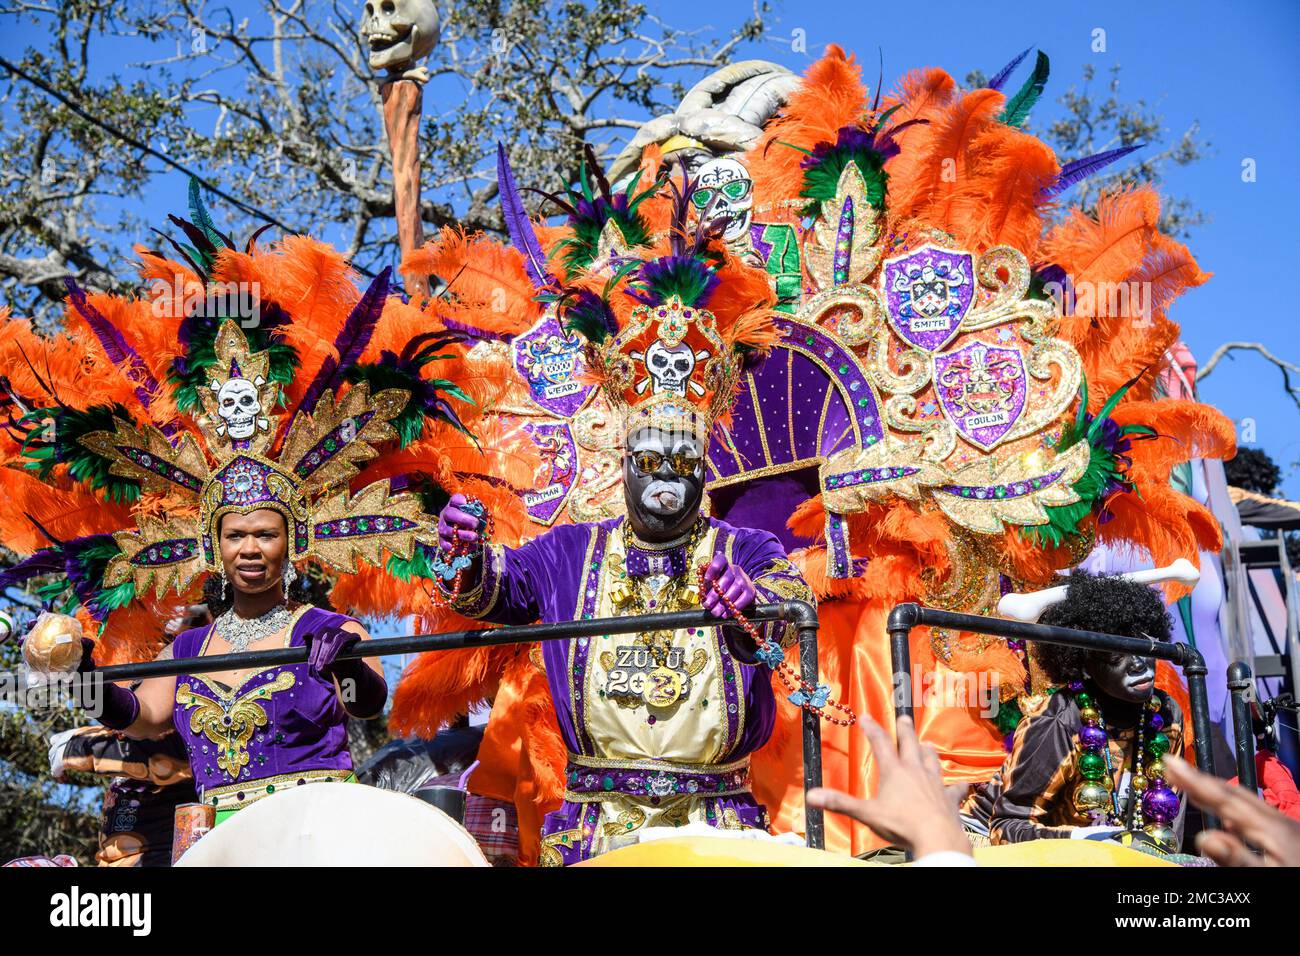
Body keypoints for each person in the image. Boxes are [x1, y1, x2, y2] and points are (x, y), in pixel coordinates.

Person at [435, 206, 826, 865]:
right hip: (596, 832)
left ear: (704, 467)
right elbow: (492, 593)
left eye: (682, 462)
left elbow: (789, 608)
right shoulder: (568, 553)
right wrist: (466, 554)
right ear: (623, 463)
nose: (666, 478)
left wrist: (750, 607)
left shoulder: (745, 550)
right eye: (651, 461)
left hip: (717, 826)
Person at [968, 572, 1185, 848]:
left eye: (1143, 645)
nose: (1139, 663)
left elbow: (1169, 825)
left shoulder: (1166, 715)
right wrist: (1085, 841)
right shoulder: (1057, 722)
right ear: (1083, 665)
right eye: (1117, 654)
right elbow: (1005, 827)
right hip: (983, 841)